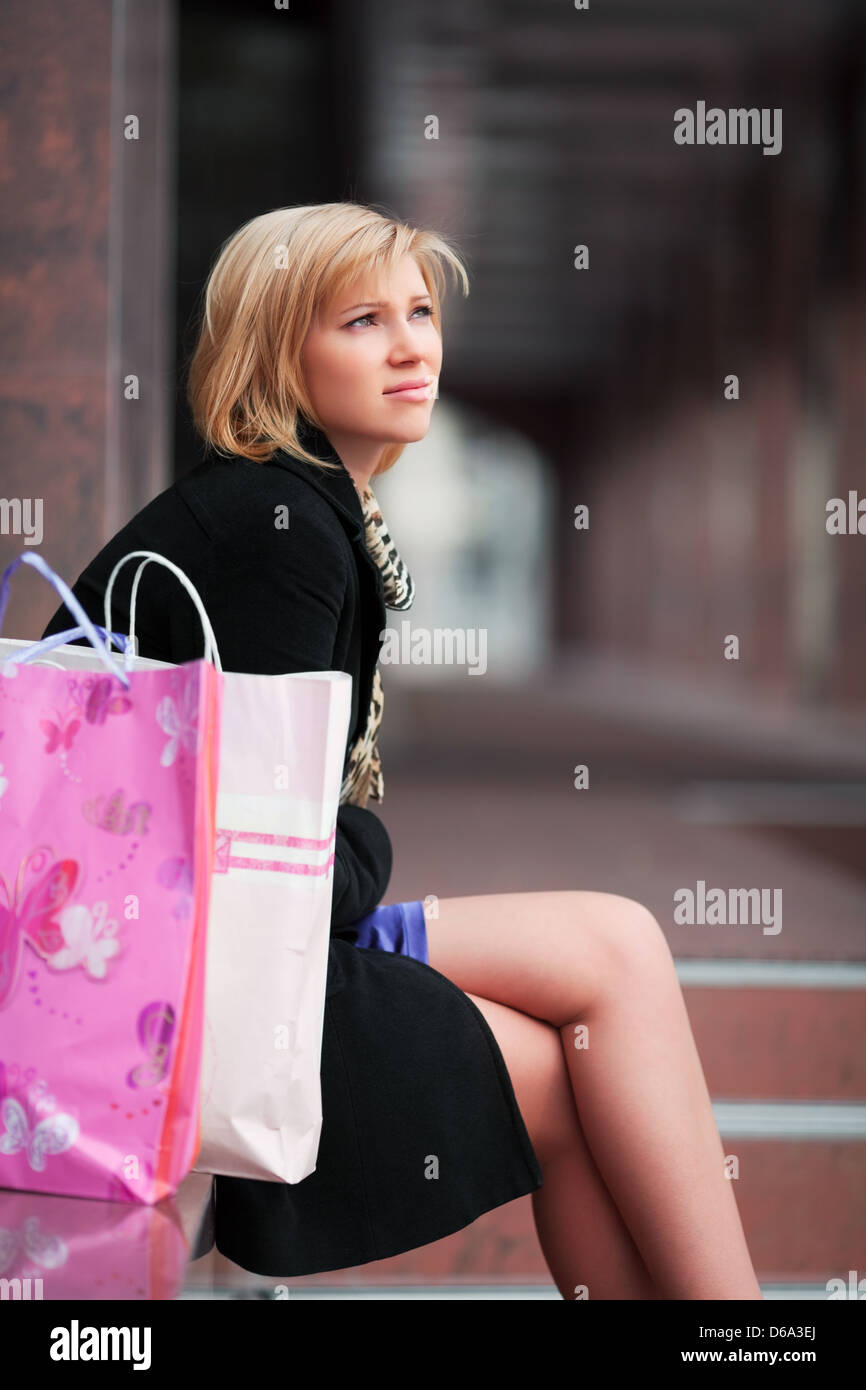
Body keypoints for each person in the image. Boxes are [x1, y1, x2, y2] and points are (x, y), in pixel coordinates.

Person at [42, 202, 762, 1300]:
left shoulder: (296, 509)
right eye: (361, 320)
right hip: (170, 996)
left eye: (419, 312)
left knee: (612, 958)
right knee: (588, 1029)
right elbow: (274, 871)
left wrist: (352, 866)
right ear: (276, 352)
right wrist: (365, 854)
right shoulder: (273, 530)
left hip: (206, 956)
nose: (410, 344)